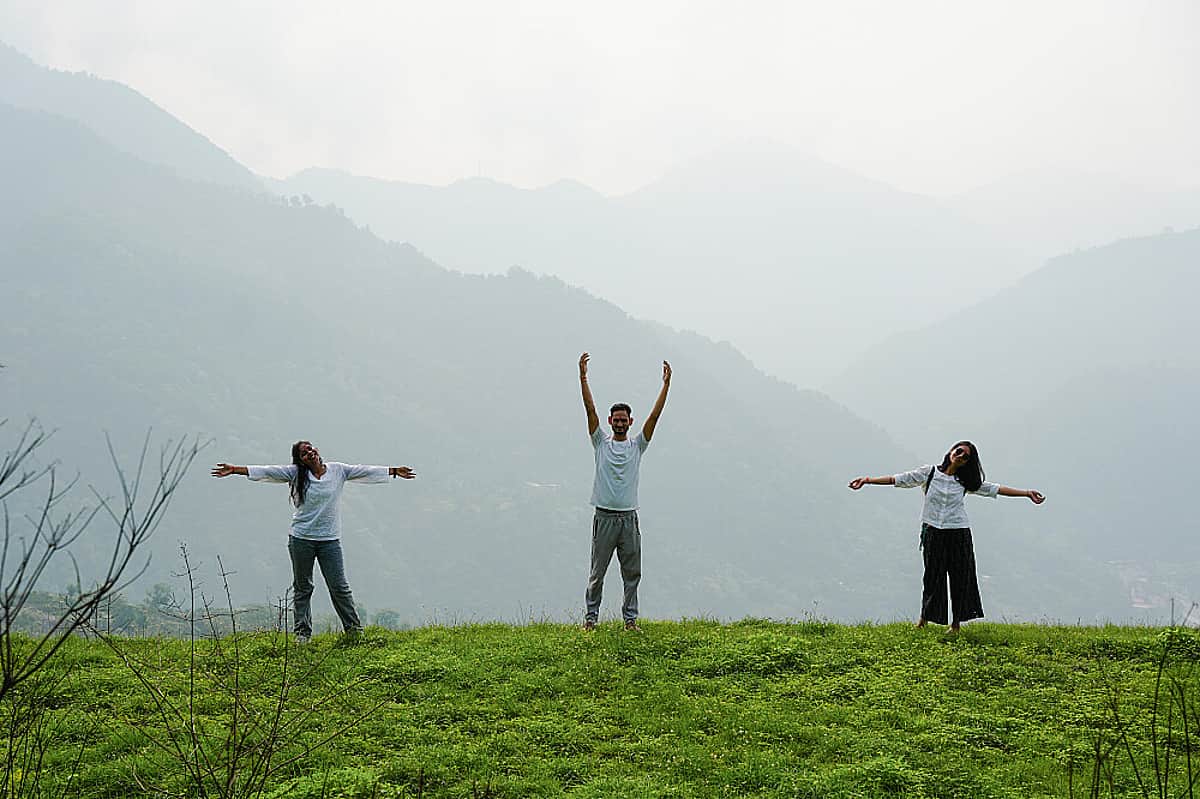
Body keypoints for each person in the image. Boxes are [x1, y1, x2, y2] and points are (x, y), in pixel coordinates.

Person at [211, 441, 415, 641]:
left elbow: (364, 470)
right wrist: (234, 469)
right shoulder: (295, 474)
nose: (309, 452)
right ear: (300, 460)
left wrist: (395, 471)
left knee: (339, 587)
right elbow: (267, 471)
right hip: (301, 539)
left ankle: (354, 631)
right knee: (303, 587)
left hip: (330, 541)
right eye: (303, 453)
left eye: (310, 448)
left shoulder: (338, 470)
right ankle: (302, 634)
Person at [848, 440, 1044, 632]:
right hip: (933, 531)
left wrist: (1027, 493)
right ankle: (924, 619)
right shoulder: (930, 473)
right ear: (951, 451)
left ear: (968, 462)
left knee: (960, 577)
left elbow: (995, 489)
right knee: (932, 576)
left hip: (958, 532)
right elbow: (898, 479)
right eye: (959, 451)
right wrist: (867, 480)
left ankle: (956, 624)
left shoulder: (966, 481)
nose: (960, 456)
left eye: (965, 456)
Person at [578, 352, 671, 632]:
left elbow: (655, 416)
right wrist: (583, 378)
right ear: (610, 421)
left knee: (632, 572)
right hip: (604, 517)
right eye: (615, 419)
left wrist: (665, 385)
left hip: (629, 519)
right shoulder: (601, 443)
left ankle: (630, 621)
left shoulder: (636, 447)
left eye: (624, 420)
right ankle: (591, 619)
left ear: (630, 422)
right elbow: (589, 410)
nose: (619, 423)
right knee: (598, 573)